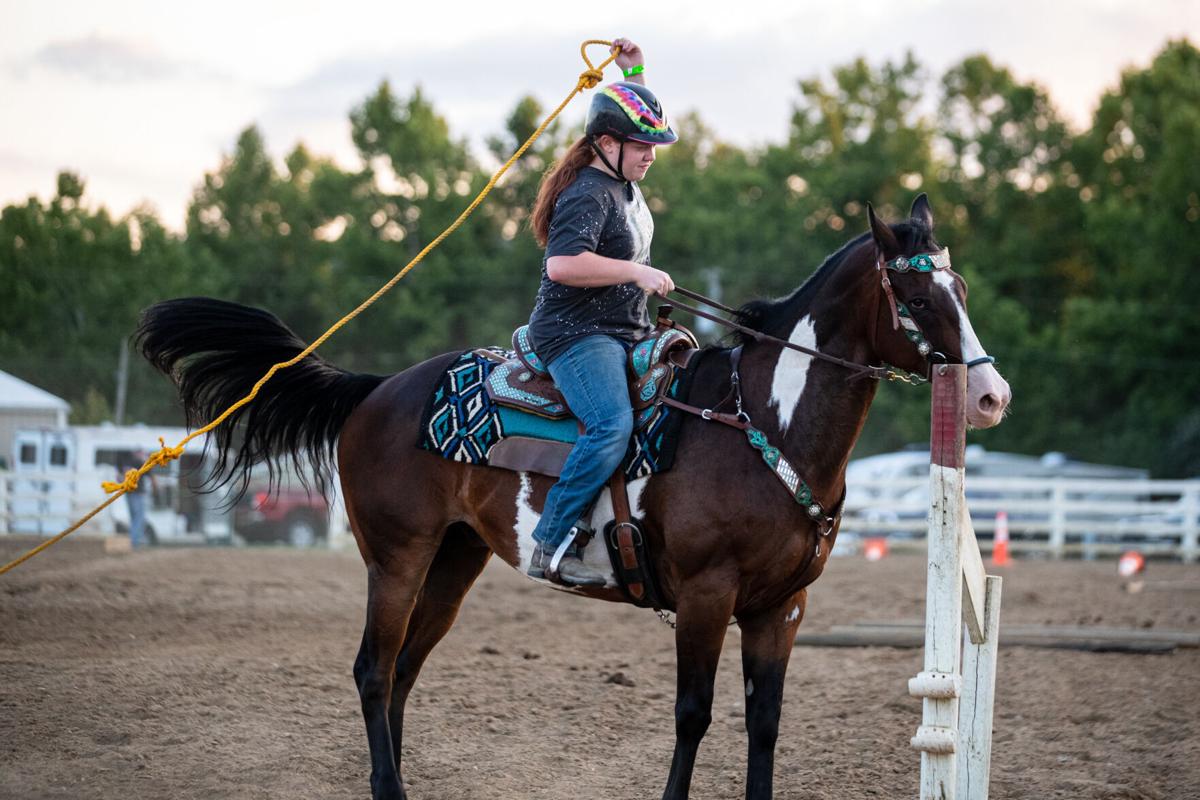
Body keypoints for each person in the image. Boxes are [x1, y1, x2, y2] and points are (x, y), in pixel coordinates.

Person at [525, 38, 678, 585]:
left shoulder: (619, 175)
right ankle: (551, 541)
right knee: (612, 424)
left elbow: (629, 107)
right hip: (576, 334)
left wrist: (633, 70)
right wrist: (636, 273)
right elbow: (563, 265)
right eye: (642, 146)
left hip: (624, 329)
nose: (651, 155)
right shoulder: (590, 192)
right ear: (607, 144)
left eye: (654, 145)